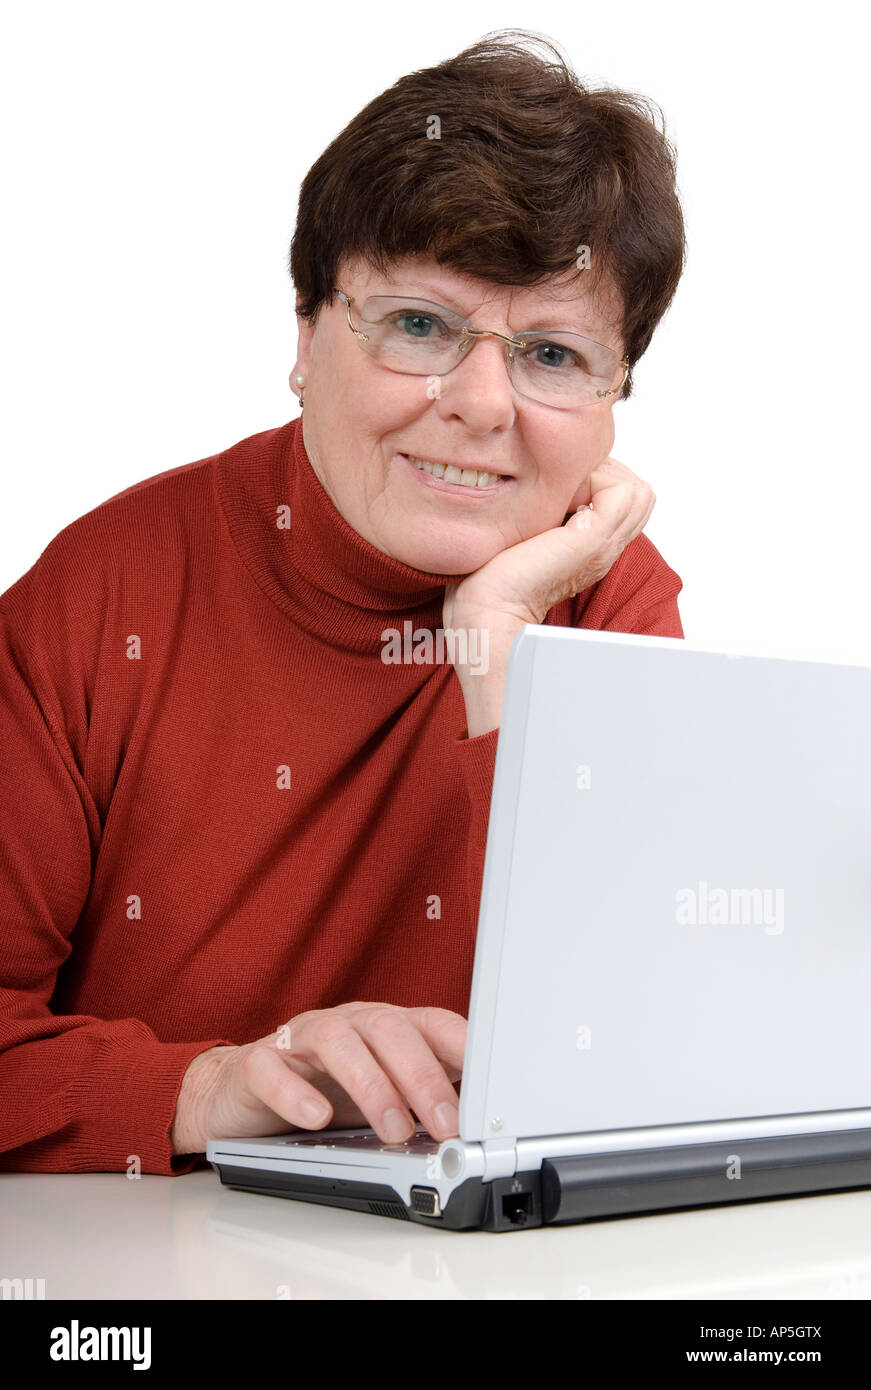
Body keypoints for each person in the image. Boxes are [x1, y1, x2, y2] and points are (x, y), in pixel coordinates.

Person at [0, 31, 685, 1176]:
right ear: (307, 337)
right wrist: (210, 1086)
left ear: (614, 399)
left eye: (552, 354)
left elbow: (650, 1053)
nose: (478, 404)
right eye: (417, 325)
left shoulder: (605, 600)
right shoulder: (98, 599)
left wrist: (497, 656)